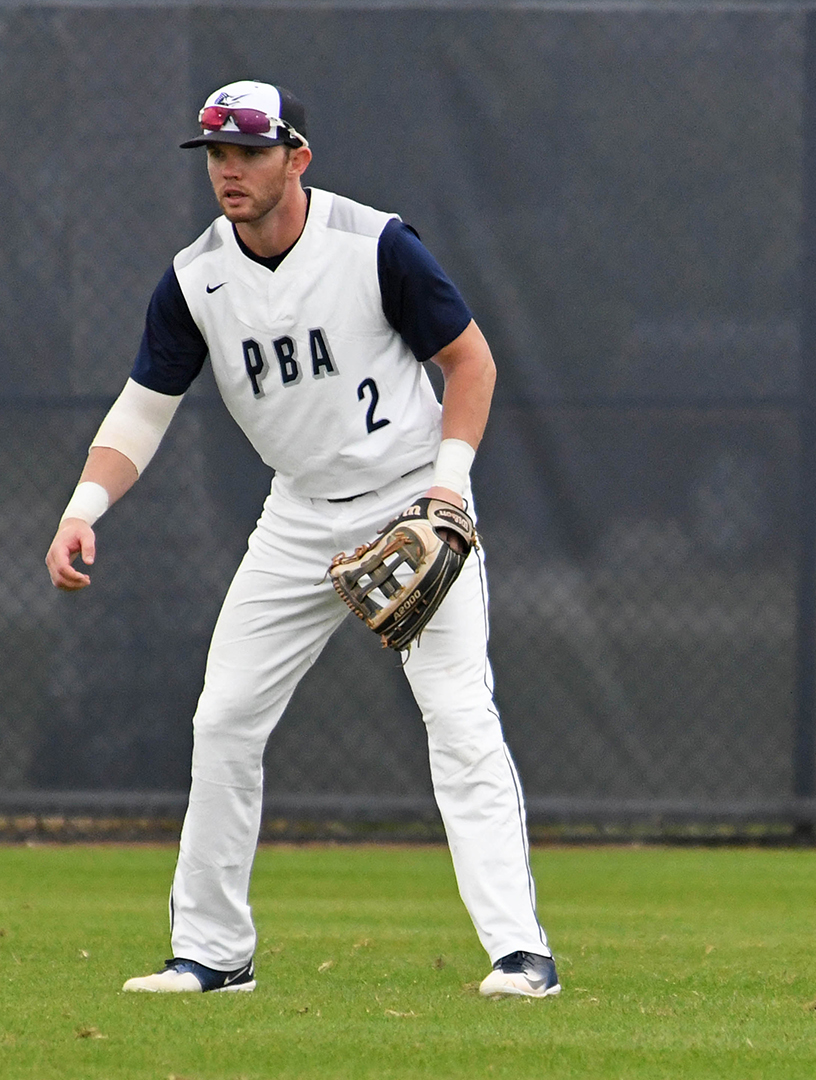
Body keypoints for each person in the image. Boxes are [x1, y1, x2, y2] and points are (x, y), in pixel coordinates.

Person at [45, 80, 556, 998]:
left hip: (411, 501)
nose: (228, 170)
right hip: (296, 518)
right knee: (224, 718)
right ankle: (213, 953)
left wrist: (448, 493)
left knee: (459, 717)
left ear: (297, 157)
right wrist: (83, 507)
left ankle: (521, 953)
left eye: (248, 151)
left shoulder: (376, 246)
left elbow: (470, 361)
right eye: (215, 153)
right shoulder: (196, 279)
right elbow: (144, 410)